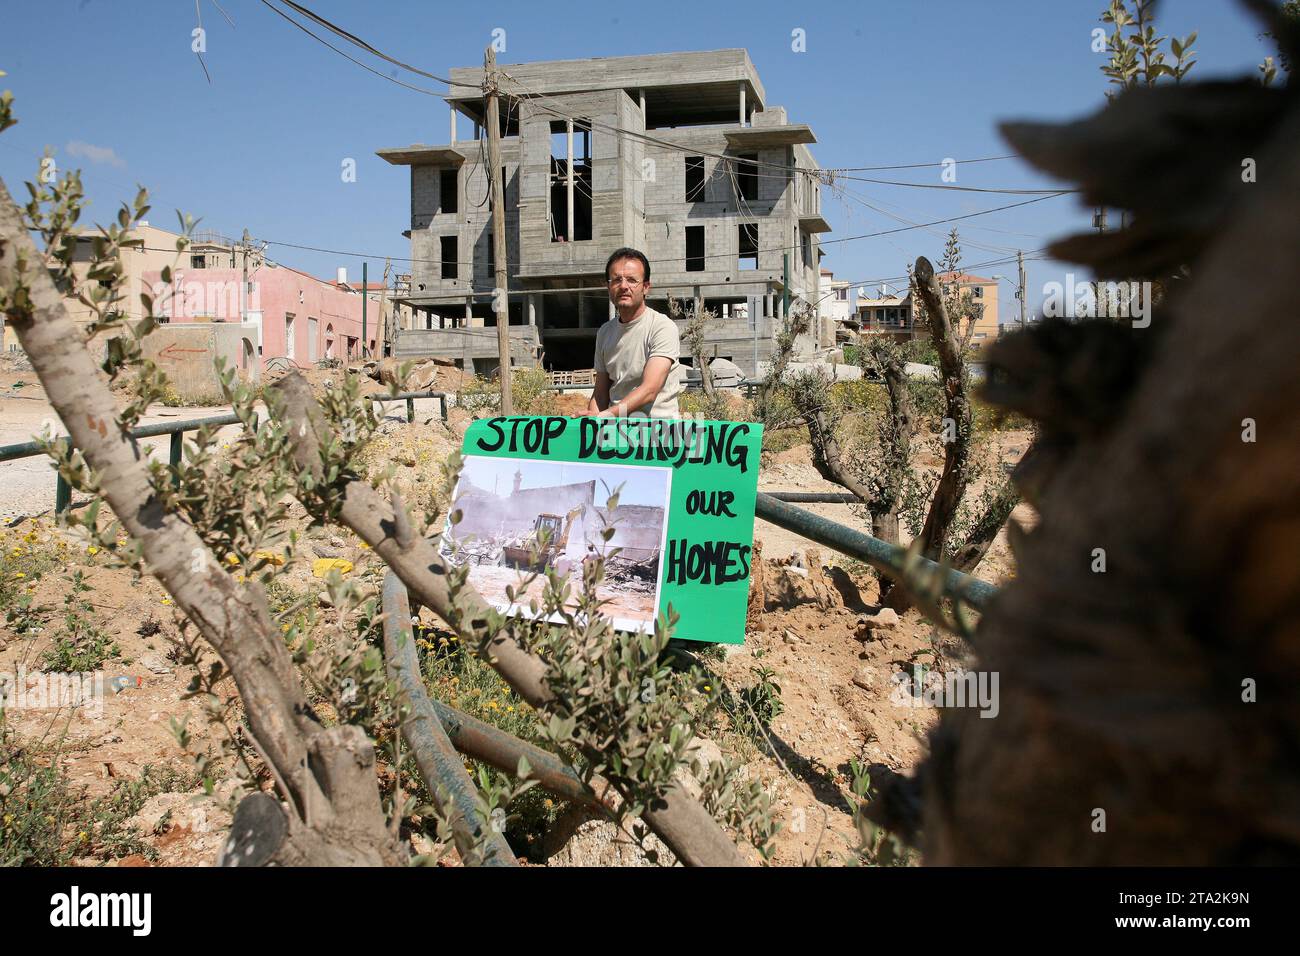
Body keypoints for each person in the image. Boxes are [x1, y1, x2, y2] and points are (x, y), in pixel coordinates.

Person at [584, 247, 684, 418]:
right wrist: (592, 423)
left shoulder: (661, 327)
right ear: (609, 287)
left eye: (631, 280)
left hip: (658, 435)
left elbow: (649, 390)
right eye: (616, 280)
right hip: (615, 434)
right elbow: (600, 394)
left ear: (646, 287)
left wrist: (607, 415)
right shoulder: (605, 332)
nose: (623, 286)